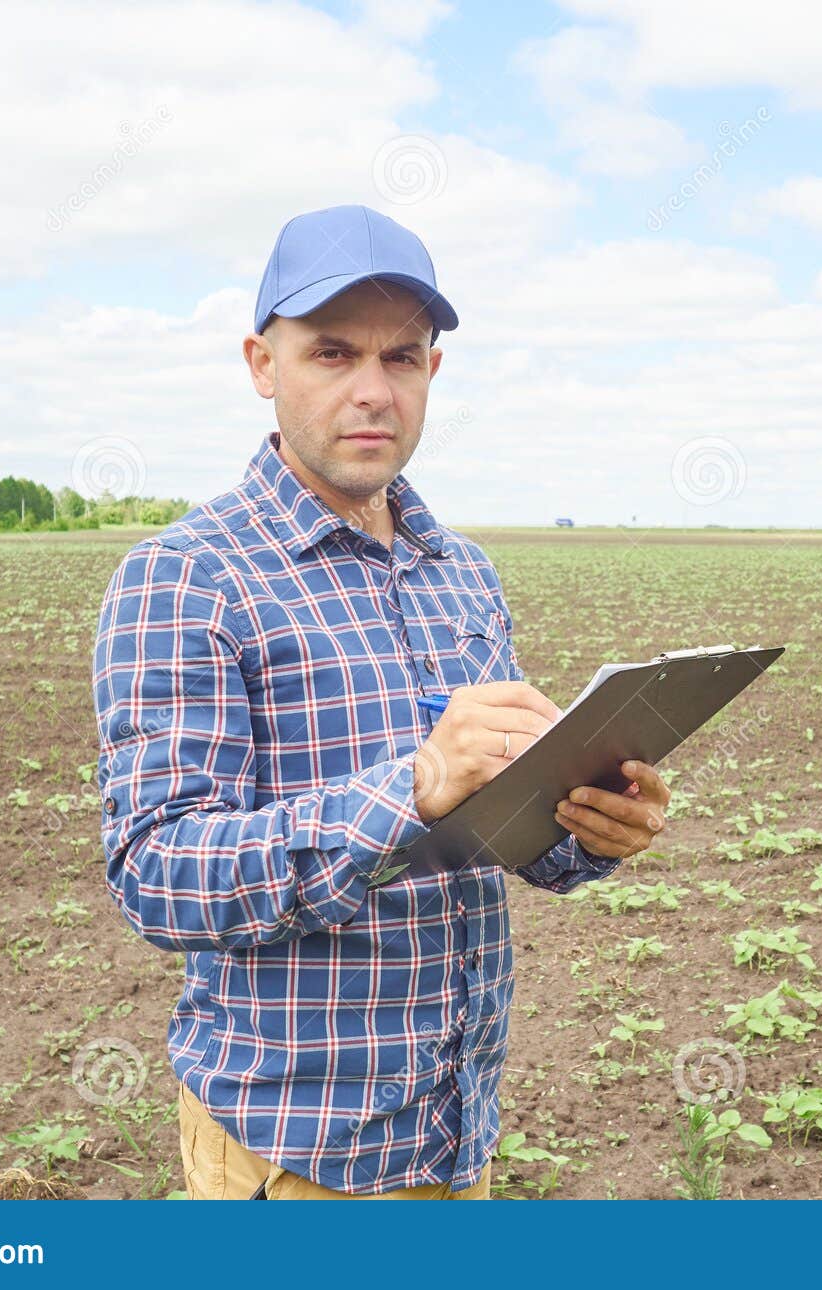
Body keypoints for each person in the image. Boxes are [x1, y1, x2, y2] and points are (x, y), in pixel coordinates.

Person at [90, 205, 670, 1200]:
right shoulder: (187, 579)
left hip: (455, 1135)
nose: (371, 392)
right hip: (292, 1155)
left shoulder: (461, 573)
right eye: (330, 353)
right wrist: (410, 786)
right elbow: (156, 872)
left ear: (432, 373)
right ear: (261, 364)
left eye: (401, 358)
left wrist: (586, 831)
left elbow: (494, 826)